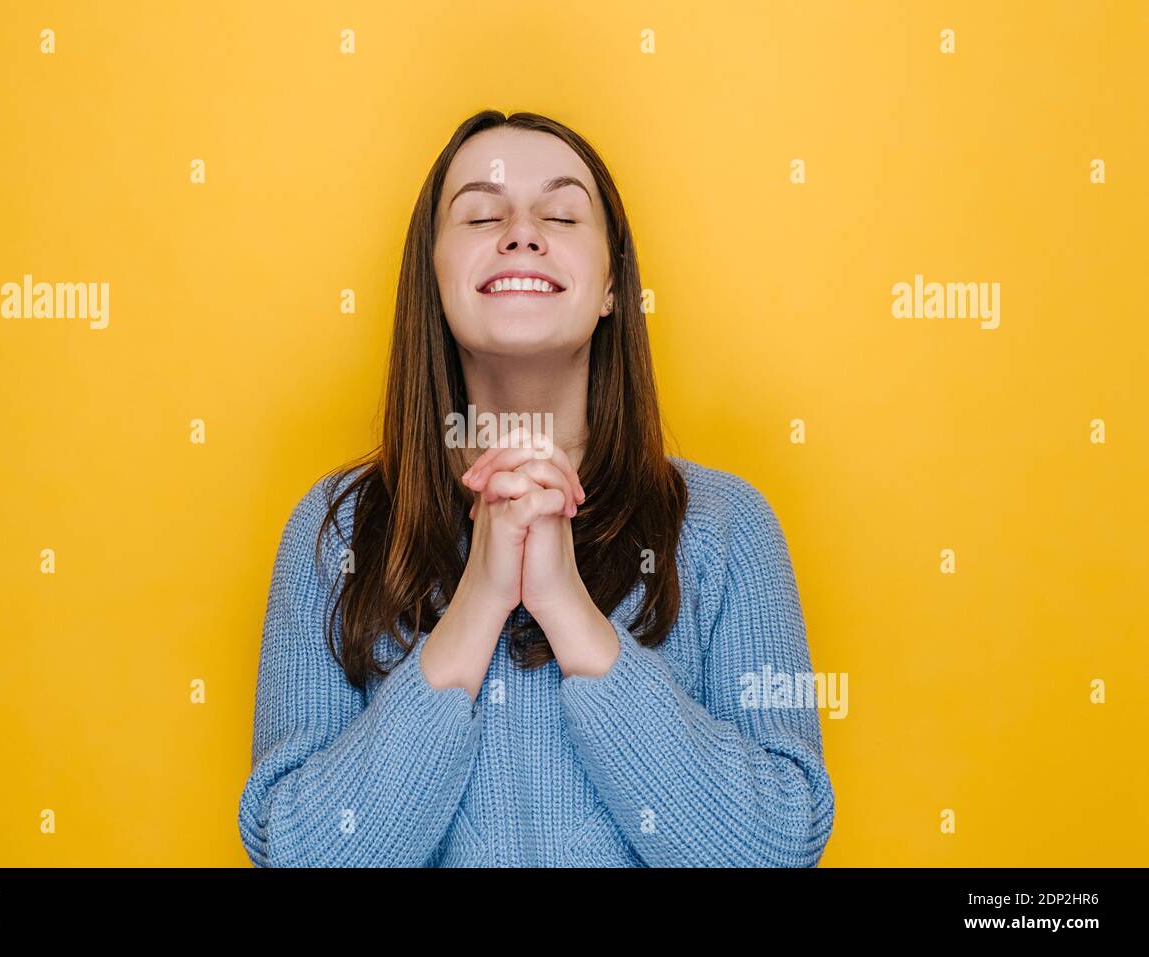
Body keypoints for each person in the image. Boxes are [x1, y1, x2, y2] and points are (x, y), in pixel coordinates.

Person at [237, 110, 835, 867]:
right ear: (433, 276)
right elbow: (299, 853)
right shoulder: (337, 533)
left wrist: (569, 612)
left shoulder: (727, 527)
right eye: (482, 215)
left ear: (613, 284)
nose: (521, 232)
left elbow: (778, 845)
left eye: (560, 213)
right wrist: (479, 603)